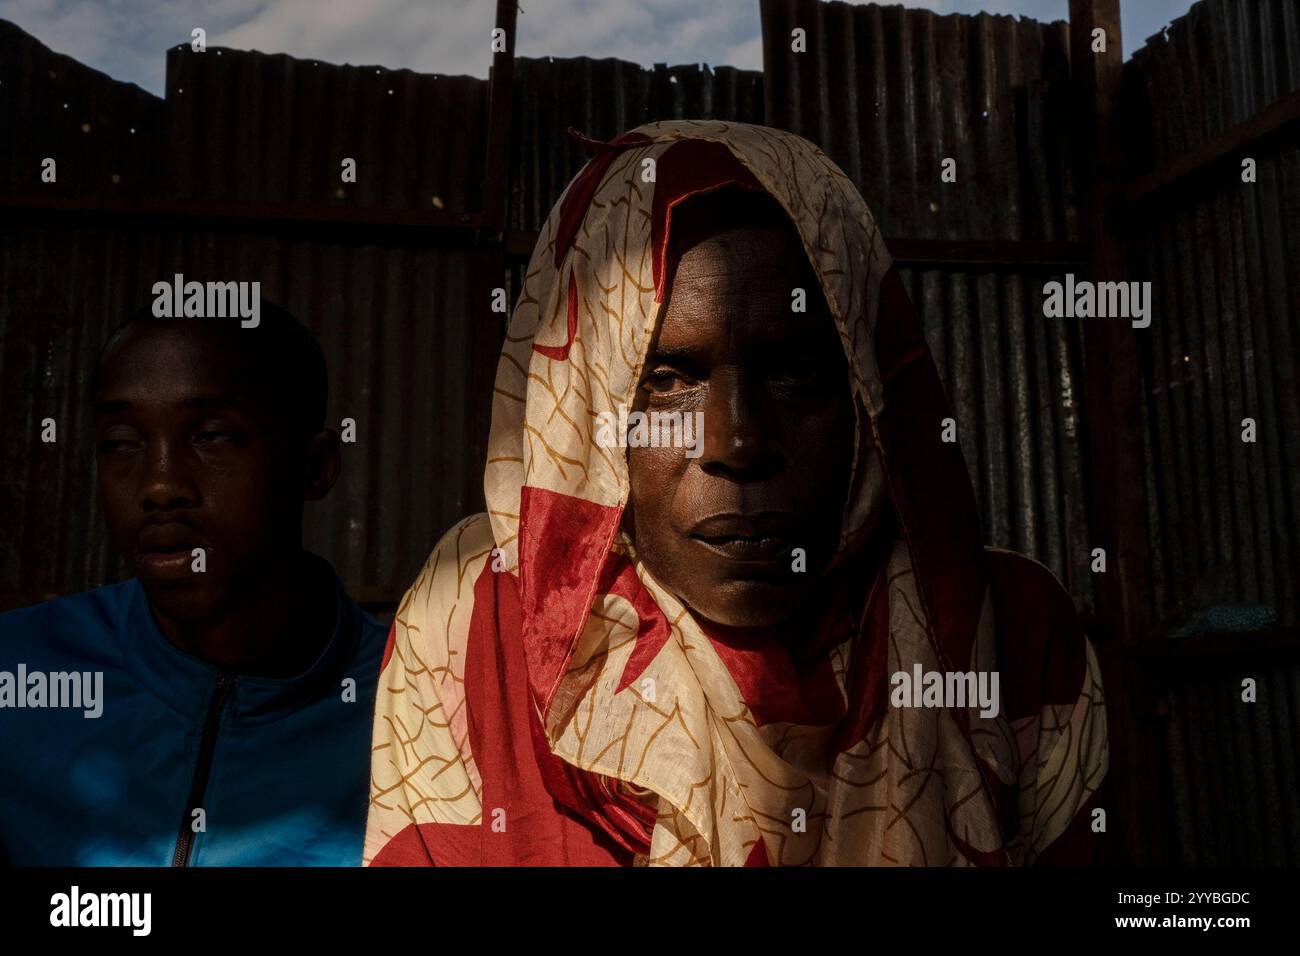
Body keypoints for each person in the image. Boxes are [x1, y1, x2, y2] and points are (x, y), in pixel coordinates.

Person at [365, 121, 1108, 866]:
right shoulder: (475, 619)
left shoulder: (1006, 629)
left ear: (866, 393)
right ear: (582, 407)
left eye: (796, 376)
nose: (739, 444)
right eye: (666, 380)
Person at [0, 302, 386, 865]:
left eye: (211, 436)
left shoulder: (410, 711)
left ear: (315, 466)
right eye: (122, 442)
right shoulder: (20, 672)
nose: (160, 485)